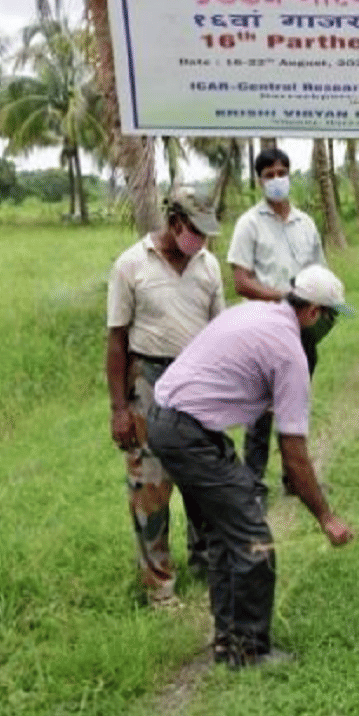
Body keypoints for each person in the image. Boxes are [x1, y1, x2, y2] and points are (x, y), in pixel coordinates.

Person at [146, 265, 355, 668]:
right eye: (330, 317)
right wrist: (326, 517)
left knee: (227, 536)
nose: (330, 326)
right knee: (253, 539)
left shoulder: (257, 311)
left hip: (172, 420)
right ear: (312, 312)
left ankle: (228, 640)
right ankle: (250, 650)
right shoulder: (289, 351)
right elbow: (294, 452)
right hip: (187, 432)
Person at [105, 187, 224, 606]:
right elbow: (117, 341)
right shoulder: (132, 264)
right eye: (195, 231)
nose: (201, 242)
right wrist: (120, 409)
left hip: (196, 381)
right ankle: (160, 589)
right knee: (150, 486)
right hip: (148, 382)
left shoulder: (208, 266)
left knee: (203, 479)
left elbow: (218, 334)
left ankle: (207, 564)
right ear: (174, 224)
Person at [227, 147, 330, 483]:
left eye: (281, 173)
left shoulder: (306, 224)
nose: (276, 180)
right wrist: (283, 296)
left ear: (289, 174)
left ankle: (293, 477)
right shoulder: (249, 224)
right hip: (263, 330)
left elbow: (319, 272)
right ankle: (253, 482)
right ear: (259, 181)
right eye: (269, 175)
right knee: (259, 409)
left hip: (301, 330)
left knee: (294, 404)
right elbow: (242, 282)